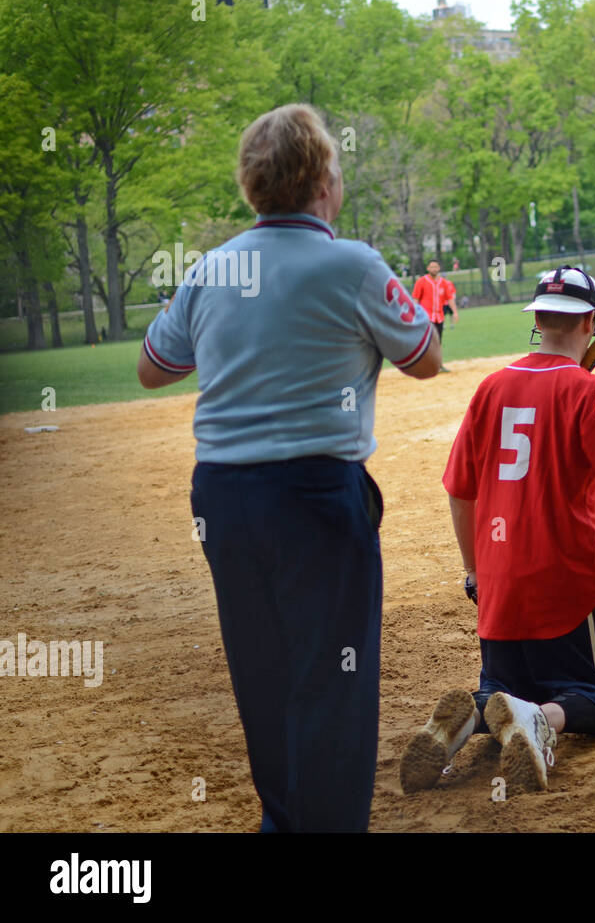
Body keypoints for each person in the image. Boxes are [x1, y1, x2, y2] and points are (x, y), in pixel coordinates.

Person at [137, 104, 442, 831]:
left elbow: (153, 367)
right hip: (314, 494)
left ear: (252, 186)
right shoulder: (353, 262)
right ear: (323, 183)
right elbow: (425, 357)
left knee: (263, 673)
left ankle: (282, 821)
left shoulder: (213, 266)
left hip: (223, 496)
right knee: (333, 679)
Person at [399, 266, 595, 793]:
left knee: (505, 690)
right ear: (589, 321)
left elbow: (459, 491)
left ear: (539, 319)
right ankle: (541, 720)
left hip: (498, 590)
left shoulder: (491, 387)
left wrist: (476, 572)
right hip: (567, 587)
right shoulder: (593, 392)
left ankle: (464, 722)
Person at [412, 259, 459, 343]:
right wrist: (415, 314)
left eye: (436, 267)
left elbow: (450, 299)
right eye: (432, 267)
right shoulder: (421, 281)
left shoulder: (443, 282)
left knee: (438, 342)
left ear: (439, 268)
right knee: (427, 342)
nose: (434, 269)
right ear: (428, 268)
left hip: (439, 317)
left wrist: (455, 312)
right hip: (426, 317)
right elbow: (416, 299)